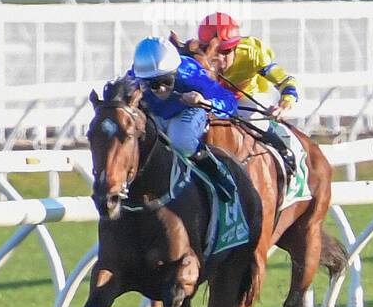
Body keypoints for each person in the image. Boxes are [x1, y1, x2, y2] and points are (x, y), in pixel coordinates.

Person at [128, 35, 239, 202]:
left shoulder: (190, 73)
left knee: (181, 141)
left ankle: (219, 174)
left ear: (175, 72)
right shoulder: (133, 78)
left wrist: (204, 102)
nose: (161, 88)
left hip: (187, 110)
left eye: (166, 80)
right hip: (155, 115)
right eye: (153, 84)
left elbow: (229, 102)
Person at [197, 12, 298, 175]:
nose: (220, 60)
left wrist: (284, 104)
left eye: (226, 52)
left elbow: (286, 81)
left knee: (259, 126)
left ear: (236, 47)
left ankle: (284, 157)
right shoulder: (197, 59)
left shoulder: (253, 54)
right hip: (214, 100)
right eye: (215, 52)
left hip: (246, 97)